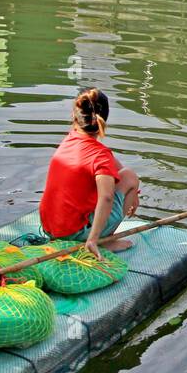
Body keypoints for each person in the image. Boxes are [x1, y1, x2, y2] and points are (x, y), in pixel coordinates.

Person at [38, 89, 140, 258]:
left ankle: (92, 236)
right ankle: (103, 240)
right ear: (104, 120)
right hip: (75, 233)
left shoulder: (71, 139)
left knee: (125, 176)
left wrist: (134, 192)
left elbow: (111, 162)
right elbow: (106, 197)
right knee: (130, 176)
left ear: (74, 116)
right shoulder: (100, 156)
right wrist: (92, 240)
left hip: (50, 228)